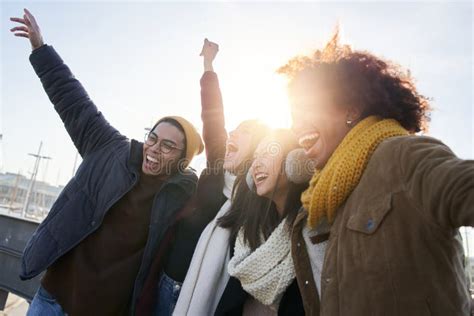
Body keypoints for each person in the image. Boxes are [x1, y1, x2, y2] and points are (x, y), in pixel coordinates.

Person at [10, 9, 204, 316]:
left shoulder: (181, 194)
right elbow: (72, 99)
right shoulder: (110, 149)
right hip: (53, 298)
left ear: (183, 159)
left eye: (168, 146)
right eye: (152, 138)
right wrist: (40, 48)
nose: (154, 149)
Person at [278, 29, 474, 315]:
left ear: (351, 109)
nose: (297, 127)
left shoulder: (402, 156)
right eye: (293, 117)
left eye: (306, 109)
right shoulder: (330, 196)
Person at [135, 39, 269, 316]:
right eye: (233, 130)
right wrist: (208, 64)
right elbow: (213, 117)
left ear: (259, 147)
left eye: (243, 132)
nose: (232, 133)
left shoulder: (259, 195)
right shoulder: (218, 167)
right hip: (163, 284)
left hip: (205, 301)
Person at [214, 130, 307, 315]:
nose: (256, 165)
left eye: (267, 154)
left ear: (294, 162)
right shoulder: (250, 230)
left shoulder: (310, 231)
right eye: (255, 157)